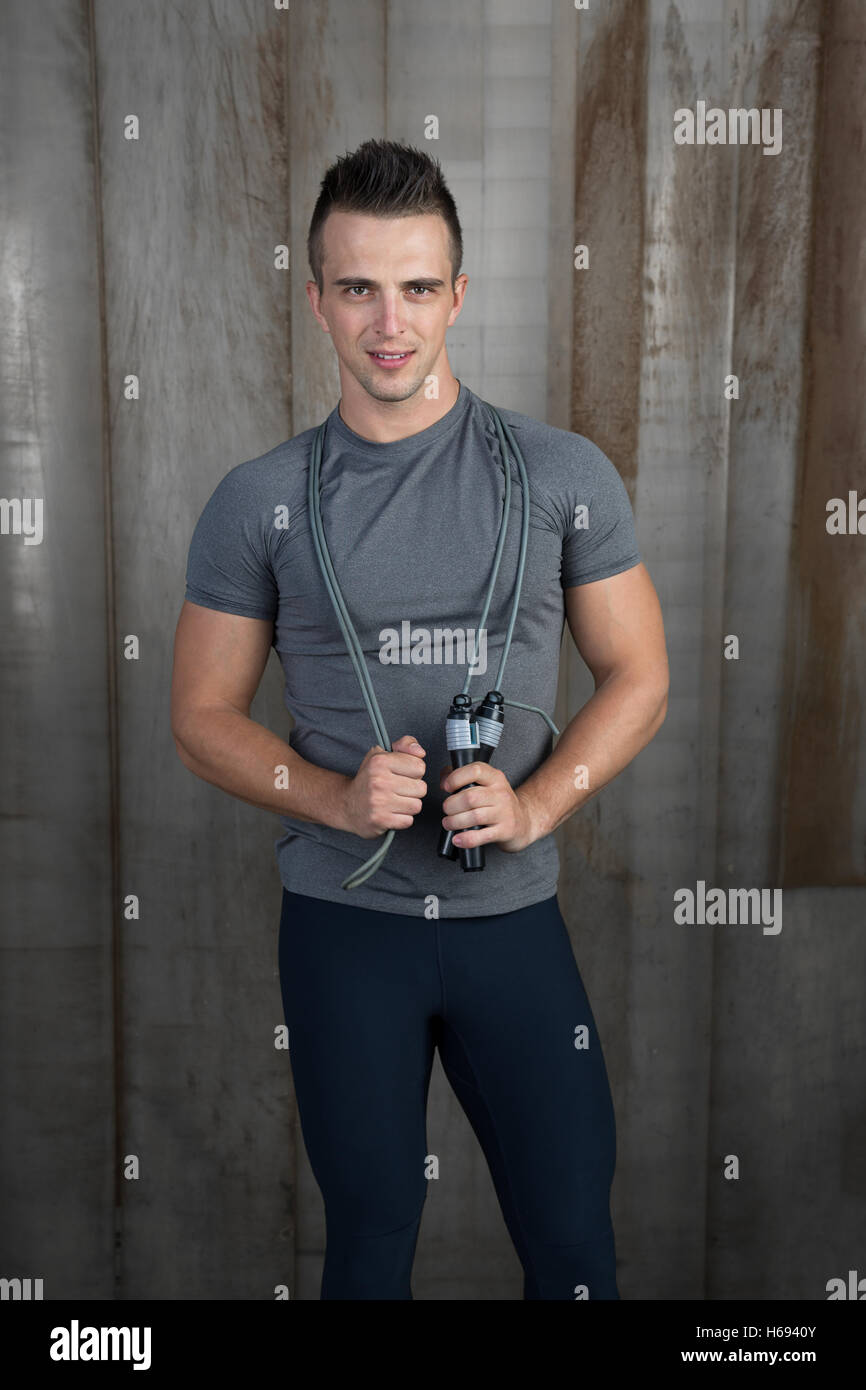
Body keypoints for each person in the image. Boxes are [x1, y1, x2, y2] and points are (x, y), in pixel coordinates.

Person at [170, 138, 669, 1300]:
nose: (386, 322)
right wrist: (329, 795)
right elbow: (199, 714)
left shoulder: (558, 474)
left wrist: (540, 801)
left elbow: (639, 675)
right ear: (315, 300)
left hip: (511, 926)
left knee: (570, 1242)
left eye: (413, 287)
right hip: (346, 931)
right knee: (369, 1242)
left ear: (456, 295)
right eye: (356, 288)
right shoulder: (259, 501)